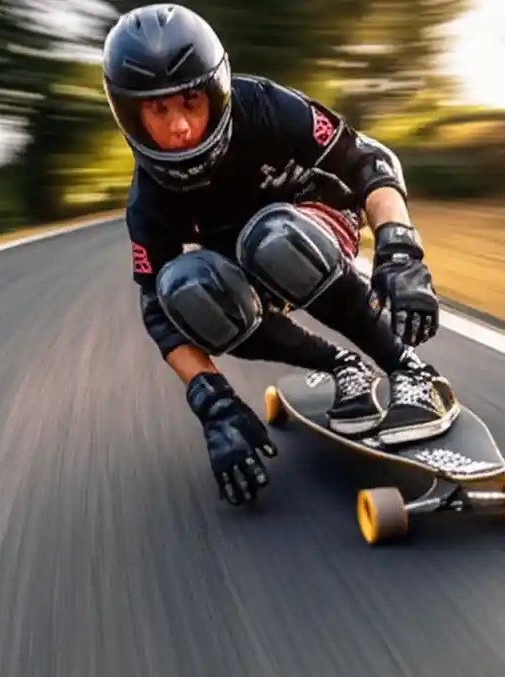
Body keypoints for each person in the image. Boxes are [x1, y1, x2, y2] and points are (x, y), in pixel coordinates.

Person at [102, 3, 459, 506]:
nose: (180, 127)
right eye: (158, 111)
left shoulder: (265, 106)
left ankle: (411, 371)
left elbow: (367, 161)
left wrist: (401, 250)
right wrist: (214, 404)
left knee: (272, 239)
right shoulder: (148, 201)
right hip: (251, 264)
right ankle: (341, 367)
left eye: (190, 101)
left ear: (216, 92)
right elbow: (157, 313)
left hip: (318, 223)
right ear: (131, 116)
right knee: (185, 289)